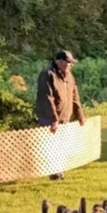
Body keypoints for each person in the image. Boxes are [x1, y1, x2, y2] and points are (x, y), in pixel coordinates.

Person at [36, 50, 86, 180]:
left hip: (65, 117)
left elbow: (75, 96)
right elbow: (47, 98)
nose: (71, 65)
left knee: (62, 146)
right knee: (52, 146)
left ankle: (60, 173)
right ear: (60, 61)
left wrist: (80, 115)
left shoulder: (69, 76)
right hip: (49, 117)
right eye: (69, 63)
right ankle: (55, 174)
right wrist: (54, 119)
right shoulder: (47, 74)